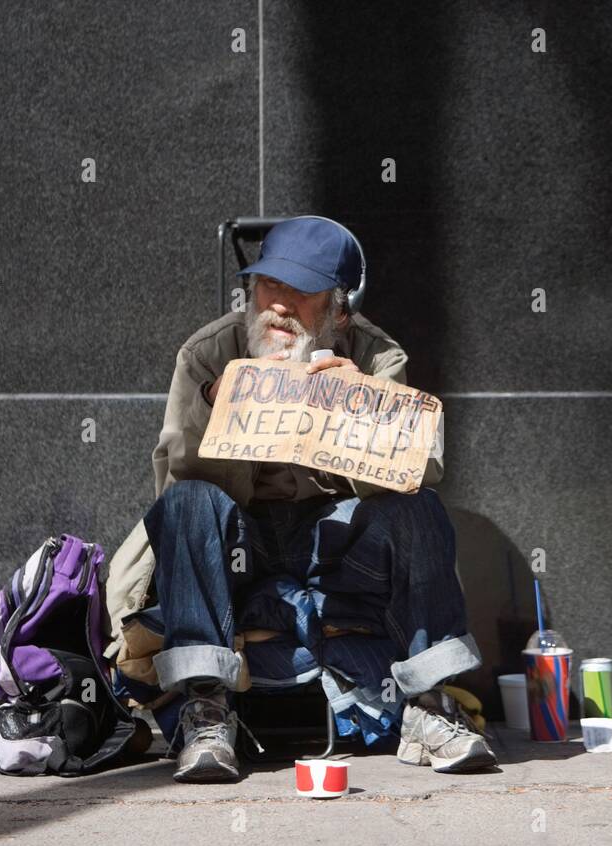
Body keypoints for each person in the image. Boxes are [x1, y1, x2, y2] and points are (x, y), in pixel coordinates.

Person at [103, 215, 496, 782]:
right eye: (269, 287)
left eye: (300, 292)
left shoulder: (378, 357)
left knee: (417, 508)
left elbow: (417, 472)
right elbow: (176, 488)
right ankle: (207, 713)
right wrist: (220, 403)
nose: (279, 306)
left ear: (339, 310)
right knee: (188, 503)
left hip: (333, 541)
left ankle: (429, 705)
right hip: (244, 538)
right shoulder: (208, 353)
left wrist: (358, 406)